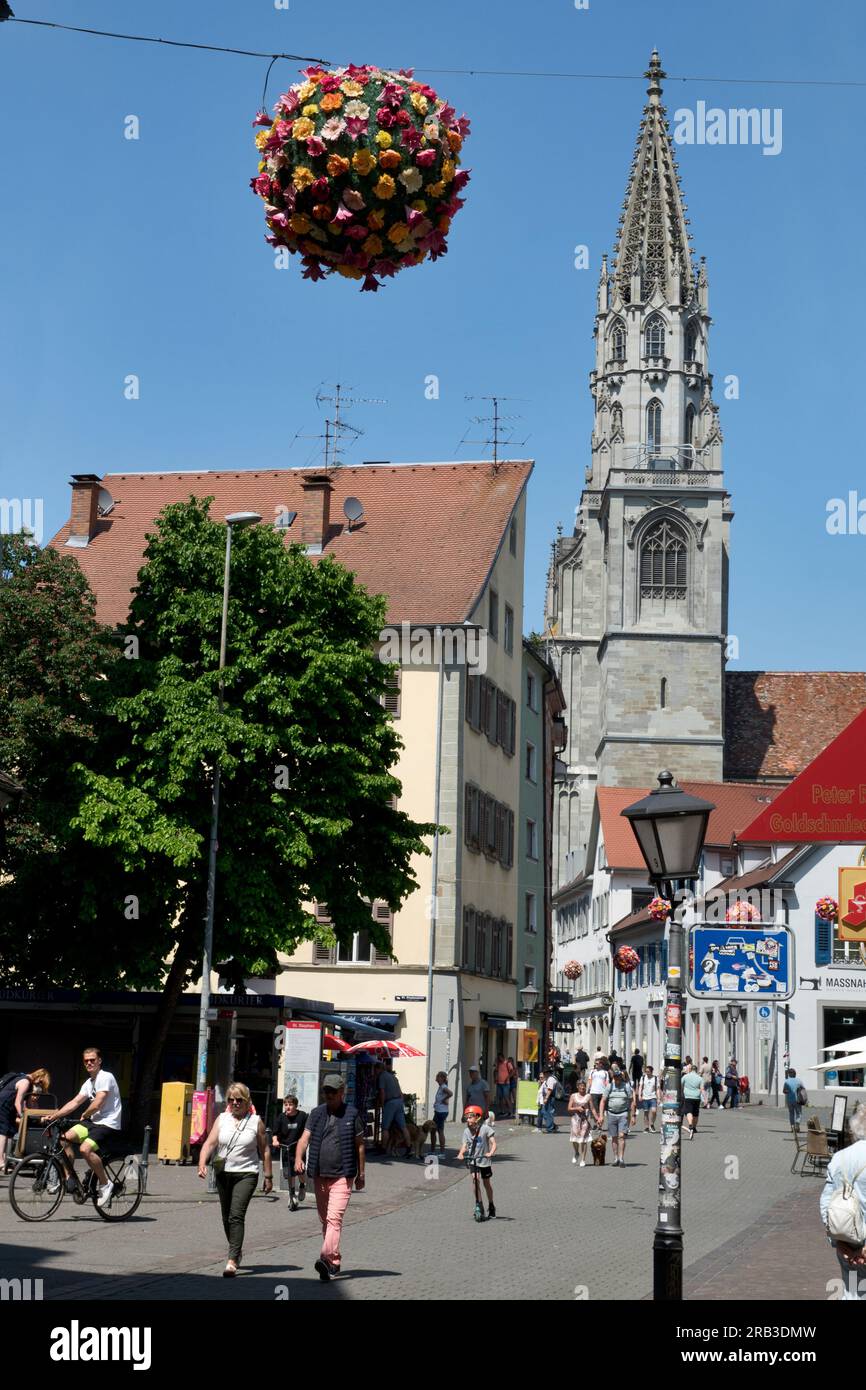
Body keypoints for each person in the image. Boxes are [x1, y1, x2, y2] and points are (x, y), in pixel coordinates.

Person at [294, 1074, 365, 1281]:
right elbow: (304, 1139)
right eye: (326, 1091)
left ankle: (325, 1258)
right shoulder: (316, 1114)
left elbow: (360, 1146)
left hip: (342, 1176)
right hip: (318, 1175)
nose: (329, 1095)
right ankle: (333, 1262)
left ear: (342, 1093)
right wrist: (299, 1157)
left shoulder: (352, 1115)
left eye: (333, 1092)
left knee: (334, 1219)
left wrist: (361, 1174)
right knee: (325, 1220)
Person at [198, 1082, 272, 1276]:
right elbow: (209, 1143)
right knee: (226, 1217)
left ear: (247, 1101)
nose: (235, 1103)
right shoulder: (222, 1119)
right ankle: (237, 1251)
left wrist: (268, 1175)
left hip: (247, 1174)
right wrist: (202, 1162)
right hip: (223, 1173)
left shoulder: (256, 1122)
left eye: (239, 1100)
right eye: (231, 1100)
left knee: (236, 1215)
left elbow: (264, 1150)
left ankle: (231, 1260)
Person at [44, 1047, 122, 1211]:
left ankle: (105, 1184)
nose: (89, 1063)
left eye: (92, 1060)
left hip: (108, 1123)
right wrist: (55, 1116)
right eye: (86, 1061)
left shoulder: (106, 1077)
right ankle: (70, 1176)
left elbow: (99, 1101)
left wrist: (86, 1114)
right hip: (93, 1122)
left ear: (99, 1061)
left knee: (85, 1149)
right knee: (63, 1138)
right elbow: (74, 1102)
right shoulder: (88, 1083)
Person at [820, 1100, 866, 1300]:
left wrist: (837, 1242)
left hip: (847, 1240)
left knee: (853, 1292)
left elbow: (826, 1204)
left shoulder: (839, 1157)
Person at [0, 1068, 51, 1172]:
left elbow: (26, 1103)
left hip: (6, 1107)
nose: (39, 1086)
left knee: (8, 1132)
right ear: (39, 1078)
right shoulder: (25, 1082)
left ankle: (4, 1161)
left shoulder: (24, 1078)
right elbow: (17, 1102)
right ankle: (0, 1161)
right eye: (41, 1083)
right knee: (3, 1132)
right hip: (3, 1106)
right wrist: (23, 1116)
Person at [457, 1104, 497, 1218]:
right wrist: (460, 1153)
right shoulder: (466, 1131)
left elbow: (493, 1143)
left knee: (486, 1183)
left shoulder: (485, 1129)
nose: (468, 1119)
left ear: (478, 1117)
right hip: (473, 1160)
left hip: (483, 1160)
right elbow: (465, 1145)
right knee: (475, 1180)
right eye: (467, 1117)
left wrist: (490, 1153)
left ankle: (491, 1204)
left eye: (470, 1117)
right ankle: (479, 1204)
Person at [272, 1094, 308, 1210]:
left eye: (290, 1104)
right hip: (286, 1148)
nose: (288, 1107)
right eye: (286, 1104)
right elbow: (275, 1133)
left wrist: (305, 1140)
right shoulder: (281, 1118)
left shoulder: (302, 1116)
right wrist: (275, 1141)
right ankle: (292, 1194)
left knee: (300, 1171)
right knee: (290, 1174)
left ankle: (302, 1185)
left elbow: (307, 1130)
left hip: (298, 1148)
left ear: (295, 1105)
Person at [599, 1068, 636, 1167]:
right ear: (613, 1077)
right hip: (611, 1114)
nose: (617, 1078)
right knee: (614, 1137)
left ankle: (621, 1158)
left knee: (622, 1136)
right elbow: (602, 1101)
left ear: (621, 1076)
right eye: (615, 1077)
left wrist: (633, 1116)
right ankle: (615, 1158)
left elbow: (632, 1101)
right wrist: (601, 1116)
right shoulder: (609, 1087)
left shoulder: (626, 1087)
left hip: (623, 1114)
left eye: (618, 1076)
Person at [376, 1058, 410, 1154]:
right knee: (403, 1126)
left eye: (375, 1070)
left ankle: (383, 1148)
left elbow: (382, 1092)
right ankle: (408, 1147)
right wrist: (401, 1102)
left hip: (390, 1102)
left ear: (379, 1069)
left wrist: (382, 1105)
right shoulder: (393, 1077)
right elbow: (400, 1092)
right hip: (399, 1101)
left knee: (385, 1127)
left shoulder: (382, 1077)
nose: (375, 1072)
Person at [568, 1080, 592, 1166]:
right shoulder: (573, 1096)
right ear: (577, 1086)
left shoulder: (588, 1096)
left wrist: (597, 1118)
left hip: (585, 1120)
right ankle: (576, 1152)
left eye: (584, 1086)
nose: (583, 1087)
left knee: (583, 1140)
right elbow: (569, 1108)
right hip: (575, 1120)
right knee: (574, 1139)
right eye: (581, 1086)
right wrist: (577, 1108)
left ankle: (583, 1159)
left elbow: (592, 1108)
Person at [432, 1071, 452, 1151]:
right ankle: (433, 1150)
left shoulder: (443, 1086)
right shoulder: (441, 1087)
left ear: (443, 1078)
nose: (436, 1079)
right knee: (434, 1130)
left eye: (438, 1077)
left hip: (441, 1112)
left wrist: (443, 1099)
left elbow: (450, 1093)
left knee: (439, 1131)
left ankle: (441, 1151)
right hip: (439, 1111)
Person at [682, 1063, 703, 1138]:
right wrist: (705, 1099)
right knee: (696, 1113)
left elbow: (680, 1085)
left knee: (688, 1112)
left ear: (690, 1070)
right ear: (696, 1070)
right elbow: (702, 1089)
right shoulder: (700, 1078)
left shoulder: (685, 1076)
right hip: (697, 1097)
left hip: (688, 1096)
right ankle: (694, 1128)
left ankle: (690, 1125)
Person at [588, 1055, 610, 1123]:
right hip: (594, 1092)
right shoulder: (592, 1072)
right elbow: (589, 1081)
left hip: (602, 1092)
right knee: (594, 1109)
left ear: (601, 1064)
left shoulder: (605, 1072)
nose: (596, 1064)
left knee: (601, 1110)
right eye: (595, 1063)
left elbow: (607, 1083)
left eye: (597, 1063)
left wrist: (608, 1092)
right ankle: (597, 1123)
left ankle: (600, 1122)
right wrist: (588, 1090)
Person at [638, 1064, 659, 1132]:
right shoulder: (643, 1077)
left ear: (651, 1072)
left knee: (654, 1111)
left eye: (648, 1071)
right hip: (645, 1097)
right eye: (646, 1071)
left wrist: (658, 1098)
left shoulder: (655, 1078)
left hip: (653, 1097)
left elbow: (657, 1089)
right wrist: (639, 1095)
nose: (647, 1073)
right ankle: (647, 1127)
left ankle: (652, 1124)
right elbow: (640, 1086)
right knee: (646, 1112)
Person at [536, 1067, 558, 1133]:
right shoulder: (549, 1078)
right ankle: (552, 1126)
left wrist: (546, 1098)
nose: (544, 1074)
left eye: (544, 1073)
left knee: (548, 1113)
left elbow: (549, 1089)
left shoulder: (551, 1079)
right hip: (549, 1097)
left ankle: (550, 1128)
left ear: (547, 1073)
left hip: (550, 1098)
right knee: (545, 1112)